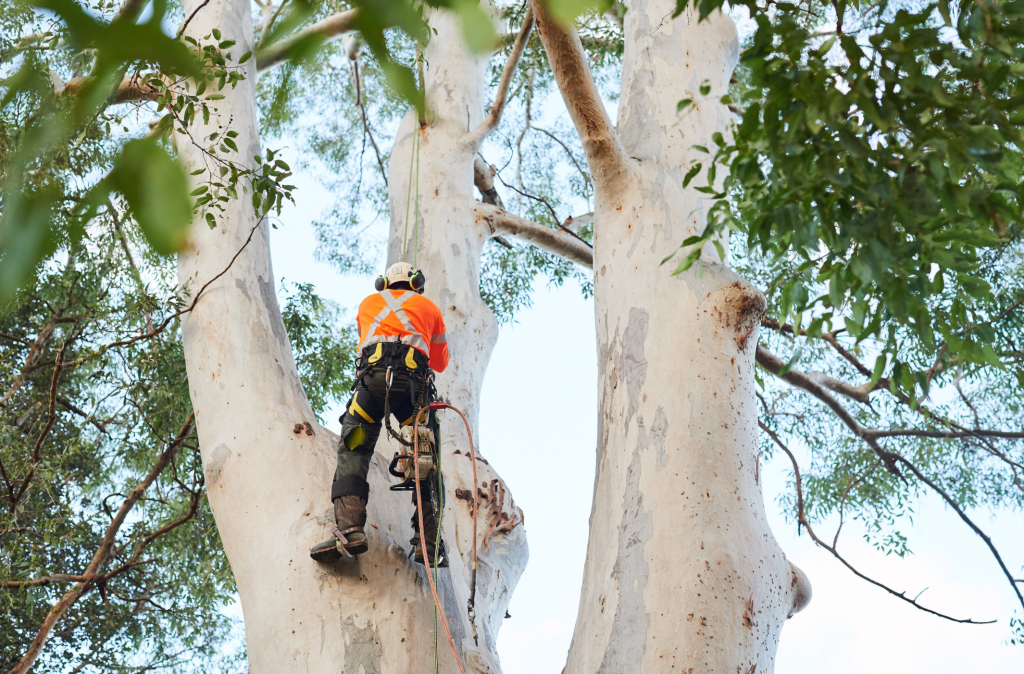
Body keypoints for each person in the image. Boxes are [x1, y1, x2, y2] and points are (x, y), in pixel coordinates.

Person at [310, 261, 449, 565]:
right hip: (413, 393)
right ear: (416, 283)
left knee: (354, 449)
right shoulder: (430, 308)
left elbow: (366, 340)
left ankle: (349, 530)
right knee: (426, 459)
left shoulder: (368, 304)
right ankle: (429, 540)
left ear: (383, 284)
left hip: (371, 388)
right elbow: (439, 363)